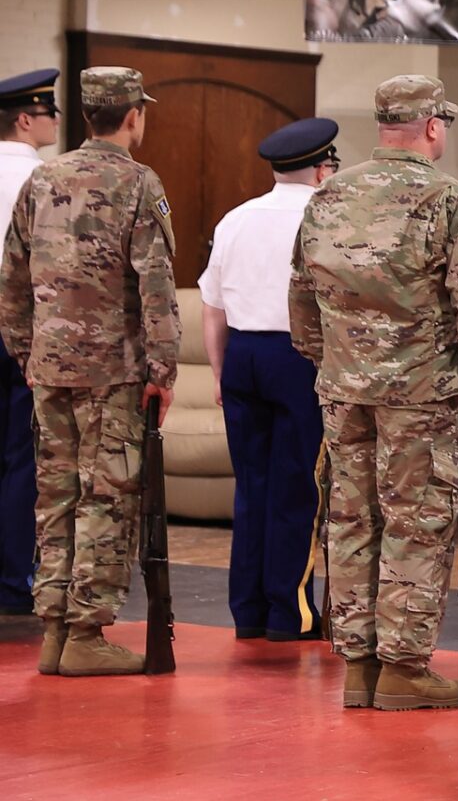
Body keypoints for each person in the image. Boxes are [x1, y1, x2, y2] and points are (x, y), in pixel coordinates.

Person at [289, 75, 458, 711]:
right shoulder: (451, 201)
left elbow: (302, 299)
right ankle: (404, 669)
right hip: (423, 395)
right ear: (433, 127)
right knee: (417, 522)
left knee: (351, 519)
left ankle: (358, 666)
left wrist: (332, 365)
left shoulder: (328, 196)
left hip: (344, 390)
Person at [0, 67, 177, 677]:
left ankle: (52, 626)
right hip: (113, 371)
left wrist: (26, 354)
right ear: (133, 116)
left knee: (55, 497)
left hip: (49, 367)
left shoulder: (41, 177)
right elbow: (156, 284)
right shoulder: (137, 181)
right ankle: (85, 631)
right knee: (107, 496)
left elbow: (12, 277)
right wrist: (164, 367)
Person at [200, 118, 340, 641]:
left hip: (243, 354)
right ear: (324, 167)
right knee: (297, 487)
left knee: (252, 487)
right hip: (297, 356)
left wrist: (220, 372)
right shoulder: (325, 216)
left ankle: (250, 610)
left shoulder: (236, 217)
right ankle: (290, 612)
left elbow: (212, 308)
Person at [0, 68, 60, 617]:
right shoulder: (44, 181)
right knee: (22, 456)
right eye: (49, 113)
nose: (56, 121)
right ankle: (13, 579)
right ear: (25, 119)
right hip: (22, 328)